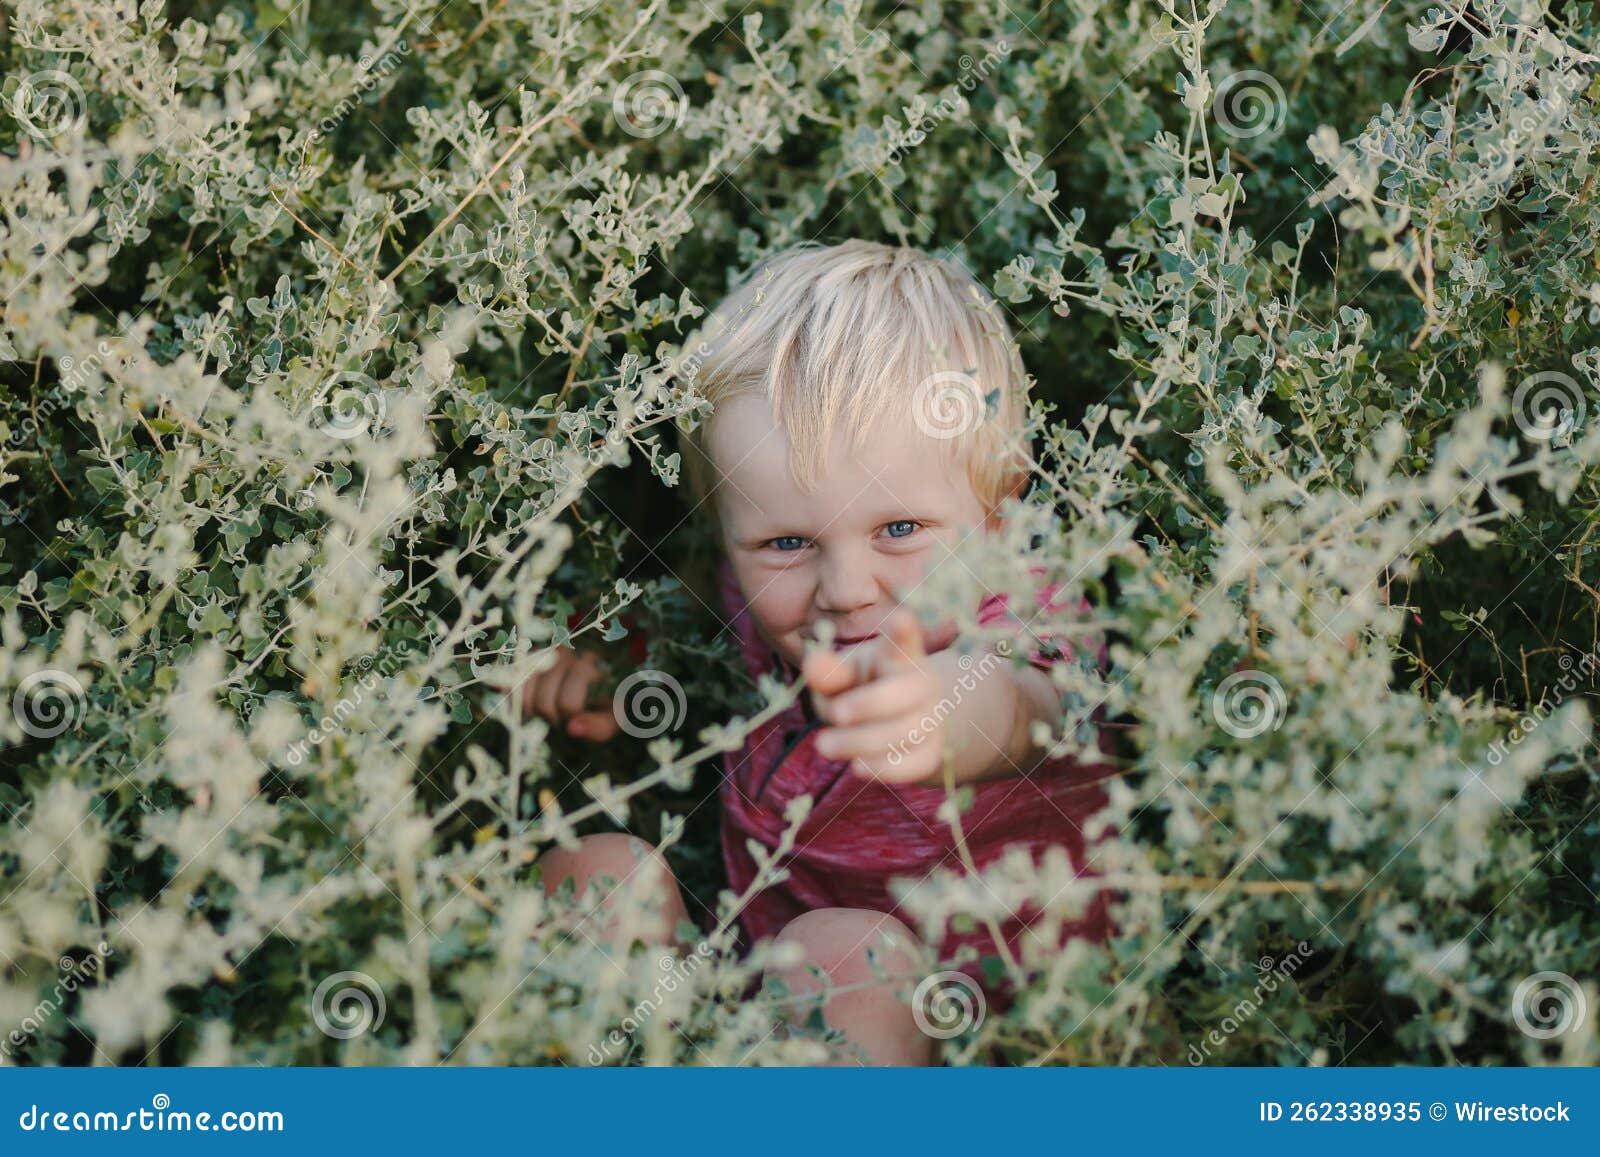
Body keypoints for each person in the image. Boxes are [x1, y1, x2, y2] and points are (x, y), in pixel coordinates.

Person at [521, 239, 1117, 1065]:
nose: (845, 586)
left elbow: (1036, 707)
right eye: (787, 541)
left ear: (998, 500)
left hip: (986, 1012)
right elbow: (697, 605)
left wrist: (953, 713)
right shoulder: (757, 591)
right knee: (594, 872)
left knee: (840, 954)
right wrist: (614, 663)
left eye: (899, 529)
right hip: (766, 988)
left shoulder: (1026, 608)